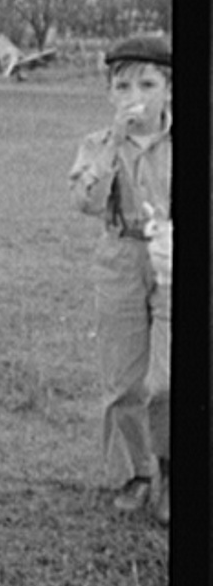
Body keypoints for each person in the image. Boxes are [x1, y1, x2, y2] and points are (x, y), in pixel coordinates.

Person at [69, 34, 171, 526]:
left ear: (168, 90)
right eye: (123, 84)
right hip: (120, 258)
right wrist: (112, 142)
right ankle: (137, 473)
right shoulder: (96, 144)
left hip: (173, 260)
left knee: (170, 377)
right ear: (110, 93)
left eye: (148, 83)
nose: (135, 94)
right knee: (124, 378)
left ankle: (171, 469)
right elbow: (87, 203)